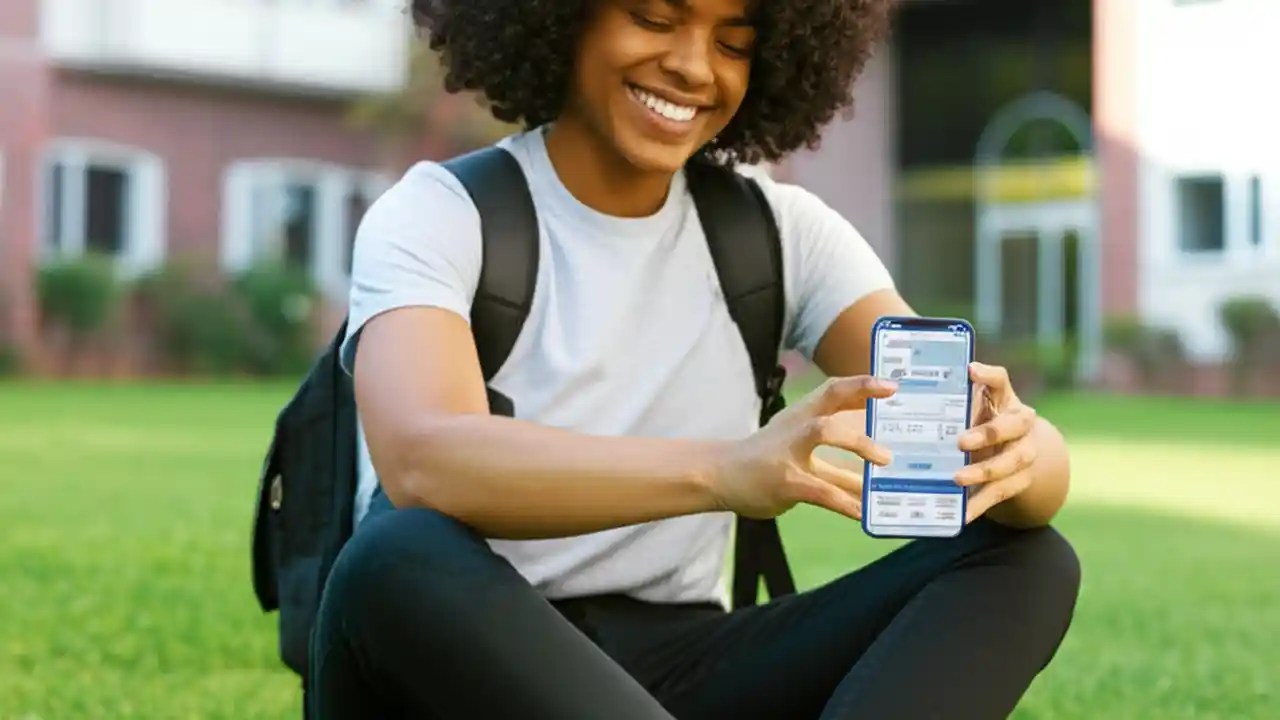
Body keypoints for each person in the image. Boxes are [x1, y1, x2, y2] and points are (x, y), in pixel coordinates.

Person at [308, 0, 1081, 717]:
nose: (692, 65)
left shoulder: (781, 234)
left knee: (1027, 559)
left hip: (678, 665)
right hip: (457, 653)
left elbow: (979, 436)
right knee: (394, 554)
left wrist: (1019, 449)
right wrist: (724, 470)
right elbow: (423, 460)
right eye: (654, 15)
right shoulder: (438, 214)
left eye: (732, 42)